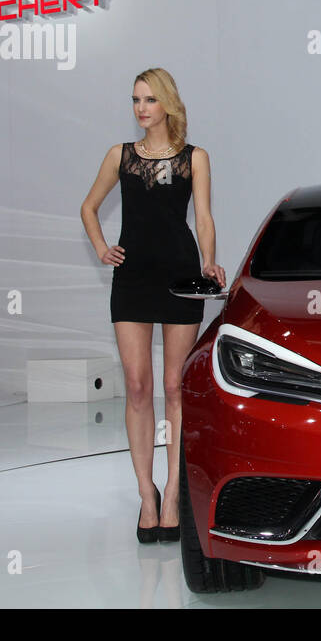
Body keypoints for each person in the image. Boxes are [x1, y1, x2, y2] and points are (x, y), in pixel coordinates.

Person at [80, 68, 226, 544]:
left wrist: (210, 261)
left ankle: (173, 493)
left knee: (174, 386)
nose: (141, 108)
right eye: (135, 100)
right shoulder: (119, 156)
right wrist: (103, 246)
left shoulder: (194, 158)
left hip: (181, 276)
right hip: (133, 279)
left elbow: (203, 217)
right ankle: (145, 493)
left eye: (149, 99)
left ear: (167, 104)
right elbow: (88, 206)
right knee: (139, 388)